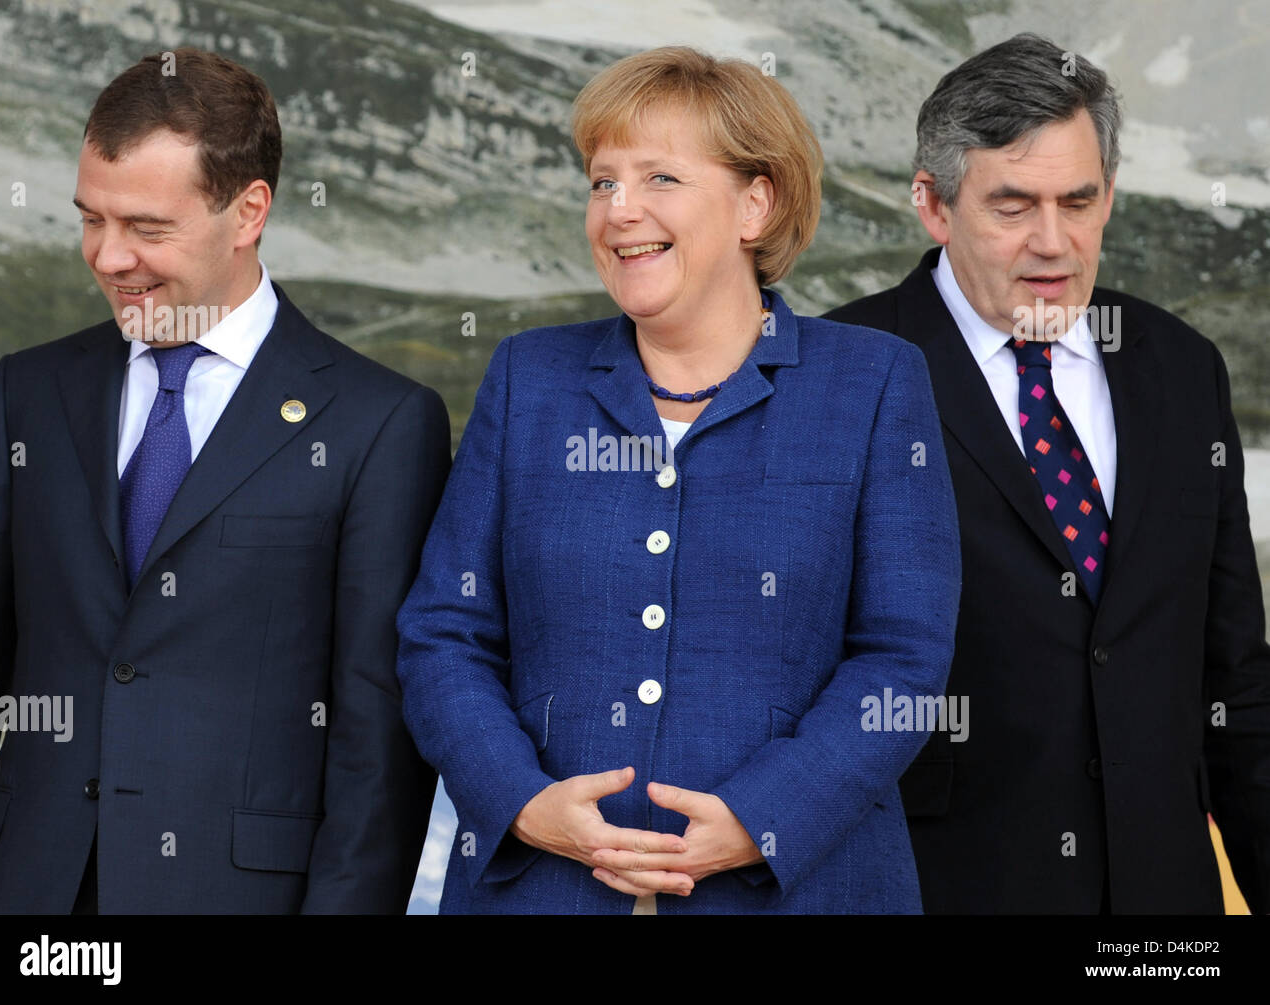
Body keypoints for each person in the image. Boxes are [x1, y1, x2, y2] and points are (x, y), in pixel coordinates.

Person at [395, 46, 961, 914]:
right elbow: (445, 633)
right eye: (601, 182)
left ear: (755, 202)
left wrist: (760, 818)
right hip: (545, 892)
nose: (620, 211)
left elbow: (904, 658)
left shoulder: (875, 382)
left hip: (801, 892)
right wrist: (523, 800)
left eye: (659, 177)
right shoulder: (528, 378)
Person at [0, 48, 451, 913]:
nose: (109, 257)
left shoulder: (380, 424)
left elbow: (377, 750)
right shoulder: (28, 393)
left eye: (147, 229)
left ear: (249, 211)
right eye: (91, 220)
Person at [827, 33, 1270, 913]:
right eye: (1012, 205)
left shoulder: (1183, 369)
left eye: (1079, 199)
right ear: (933, 204)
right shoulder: (838, 369)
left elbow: (1237, 682)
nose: (1053, 241)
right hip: (931, 892)